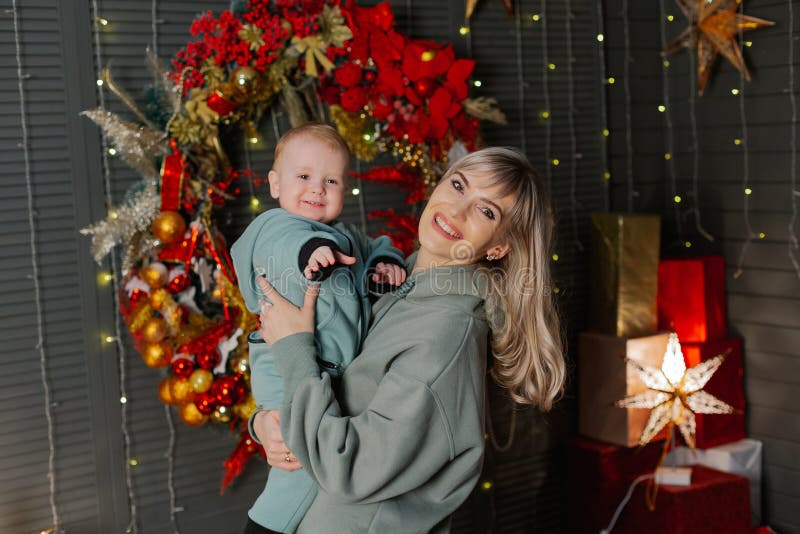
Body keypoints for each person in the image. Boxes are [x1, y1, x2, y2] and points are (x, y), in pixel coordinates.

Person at [252, 146, 566, 533]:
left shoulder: (443, 337)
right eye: (458, 185)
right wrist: (267, 425)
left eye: (487, 211)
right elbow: (336, 383)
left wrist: (294, 351)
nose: (456, 210)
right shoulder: (393, 280)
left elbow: (350, 467)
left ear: (500, 247)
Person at [231, 123, 406, 534]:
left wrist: (386, 265)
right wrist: (311, 253)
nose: (317, 189)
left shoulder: (346, 236)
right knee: (296, 460)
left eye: (331, 180)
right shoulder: (275, 226)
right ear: (275, 184)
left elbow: (379, 243)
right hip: (281, 361)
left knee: (320, 462)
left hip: (328, 371)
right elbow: (281, 248)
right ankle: (265, 527)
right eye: (304, 176)